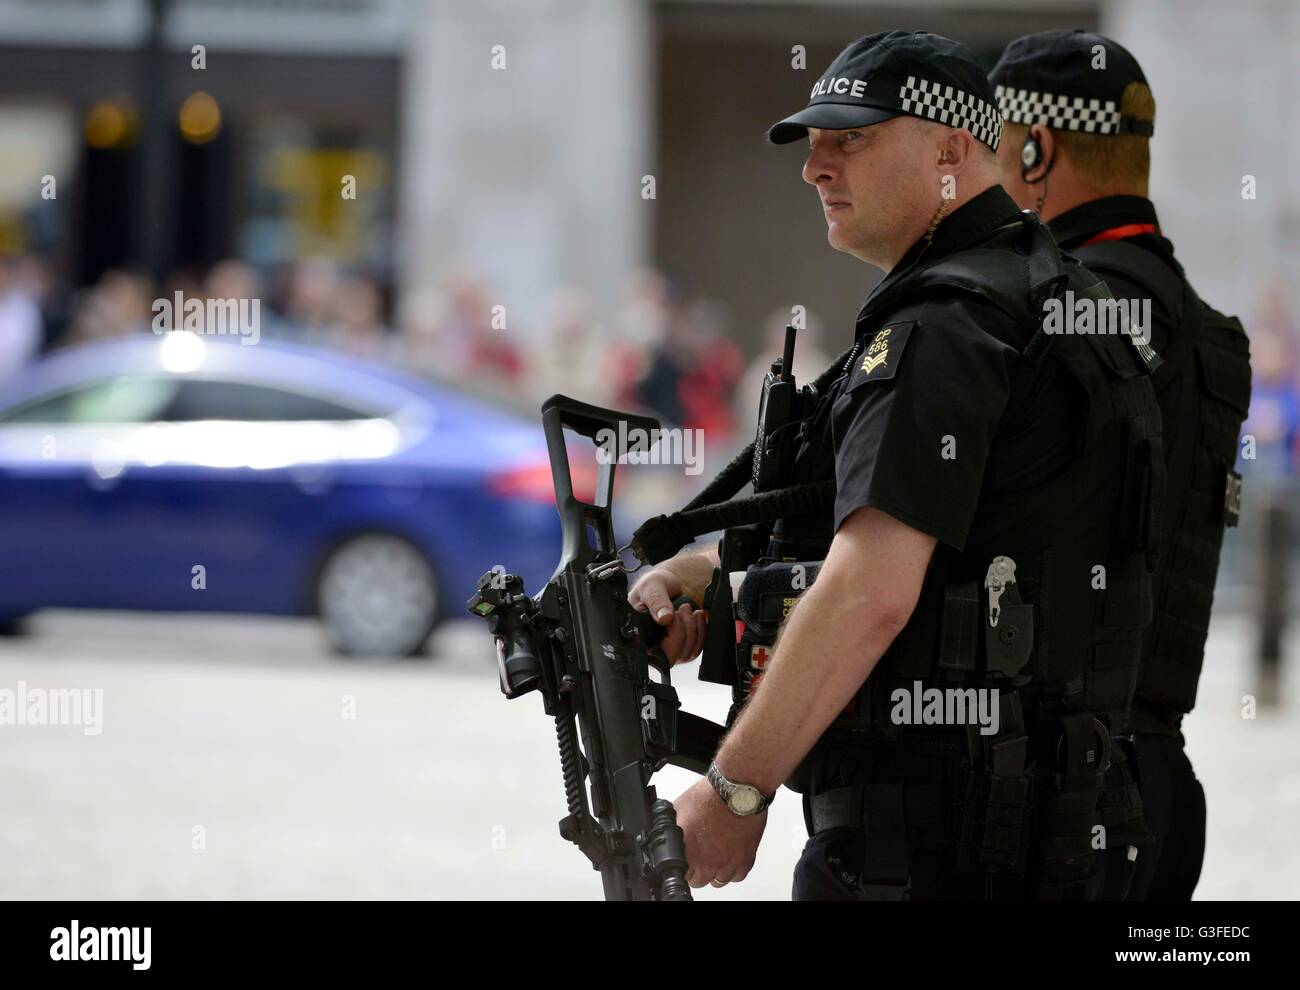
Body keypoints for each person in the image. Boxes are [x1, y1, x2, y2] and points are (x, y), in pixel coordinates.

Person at [628, 29, 1165, 900]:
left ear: (953, 149)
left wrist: (733, 790)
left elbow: (871, 593)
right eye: (814, 146)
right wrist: (714, 580)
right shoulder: (1056, 296)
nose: (816, 169)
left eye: (853, 139)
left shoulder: (942, 332)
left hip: (931, 843)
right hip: (1059, 816)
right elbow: (990, 549)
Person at [990, 29, 1253, 900]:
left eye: (992, 142)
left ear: (1037, 147)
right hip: (1157, 789)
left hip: (1048, 800)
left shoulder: (1051, 308)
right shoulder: (1212, 334)